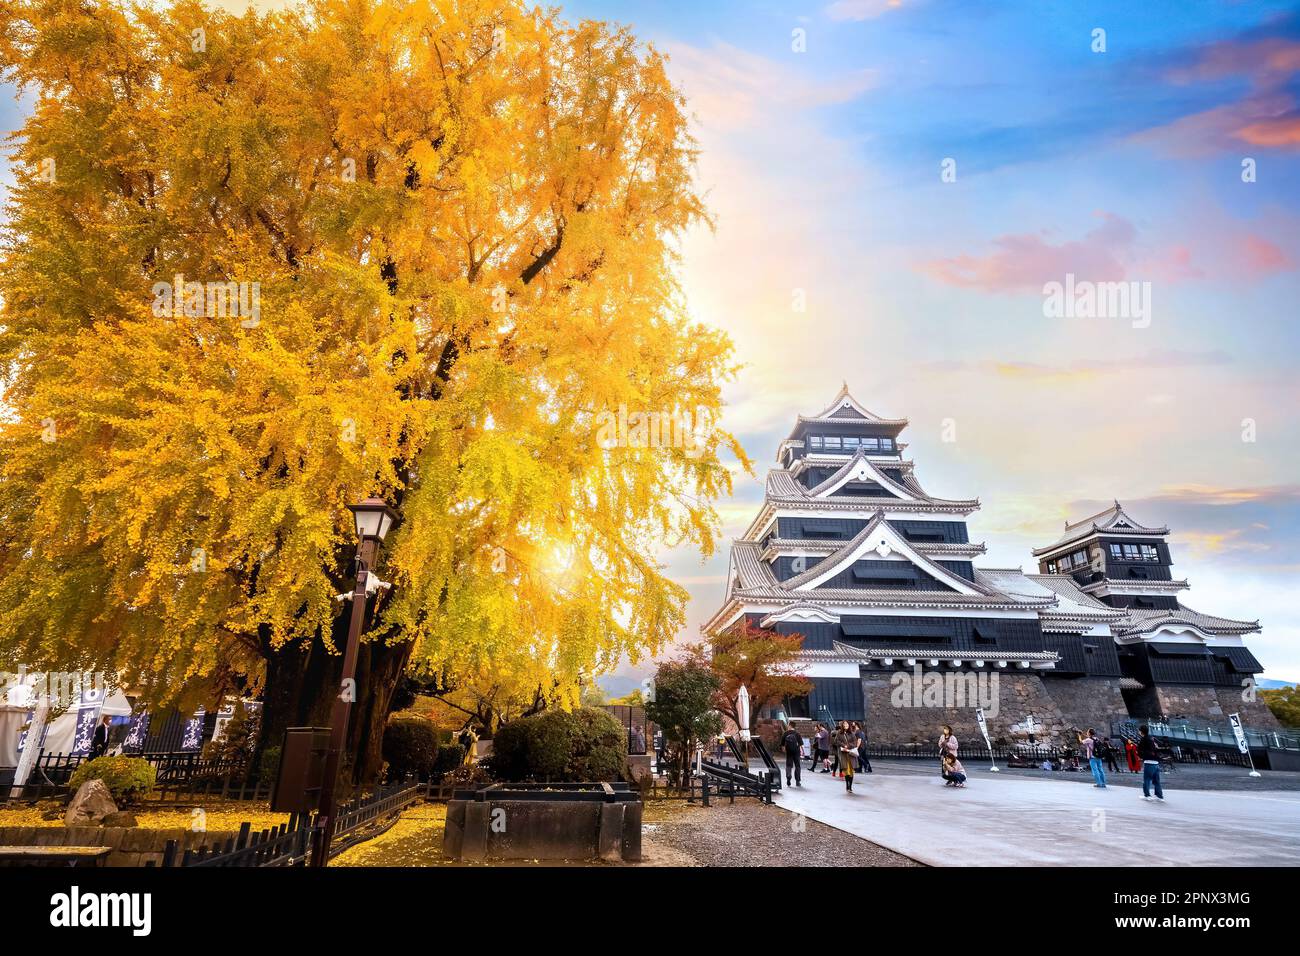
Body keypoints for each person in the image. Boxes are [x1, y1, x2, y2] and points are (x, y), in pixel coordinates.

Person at [1137, 725, 1165, 801]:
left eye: (1139, 730)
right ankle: (1159, 796)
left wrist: (1141, 756)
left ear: (1141, 731)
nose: (1138, 732)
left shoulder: (1143, 739)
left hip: (1149, 761)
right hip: (1156, 762)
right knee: (1156, 780)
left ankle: (1147, 795)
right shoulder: (1151, 738)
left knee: (1147, 779)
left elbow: (1140, 750)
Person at [832, 722, 857, 793]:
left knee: (851, 771)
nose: (846, 725)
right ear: (842, 726)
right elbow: (836, 741)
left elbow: (854, 742)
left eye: (847, 724)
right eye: (844, 724)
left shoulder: (852, 734)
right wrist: (843, 745)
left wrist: (848, 746)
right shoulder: (839, 734)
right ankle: (847, 785)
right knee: (846, 771)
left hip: (851, 754)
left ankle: (850, 787)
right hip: (843, 754)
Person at [780, 722, 803, 787]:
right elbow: (801, 744)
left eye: (788, 725)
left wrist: (785, 750)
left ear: (790, 725)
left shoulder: (785, 733)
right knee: (797, 766)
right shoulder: (797, 734)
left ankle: (788, 777)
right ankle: (797, 781)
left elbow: (782, 745)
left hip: (789, 752)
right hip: (796, 751)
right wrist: (802, 751)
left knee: (789, 765)